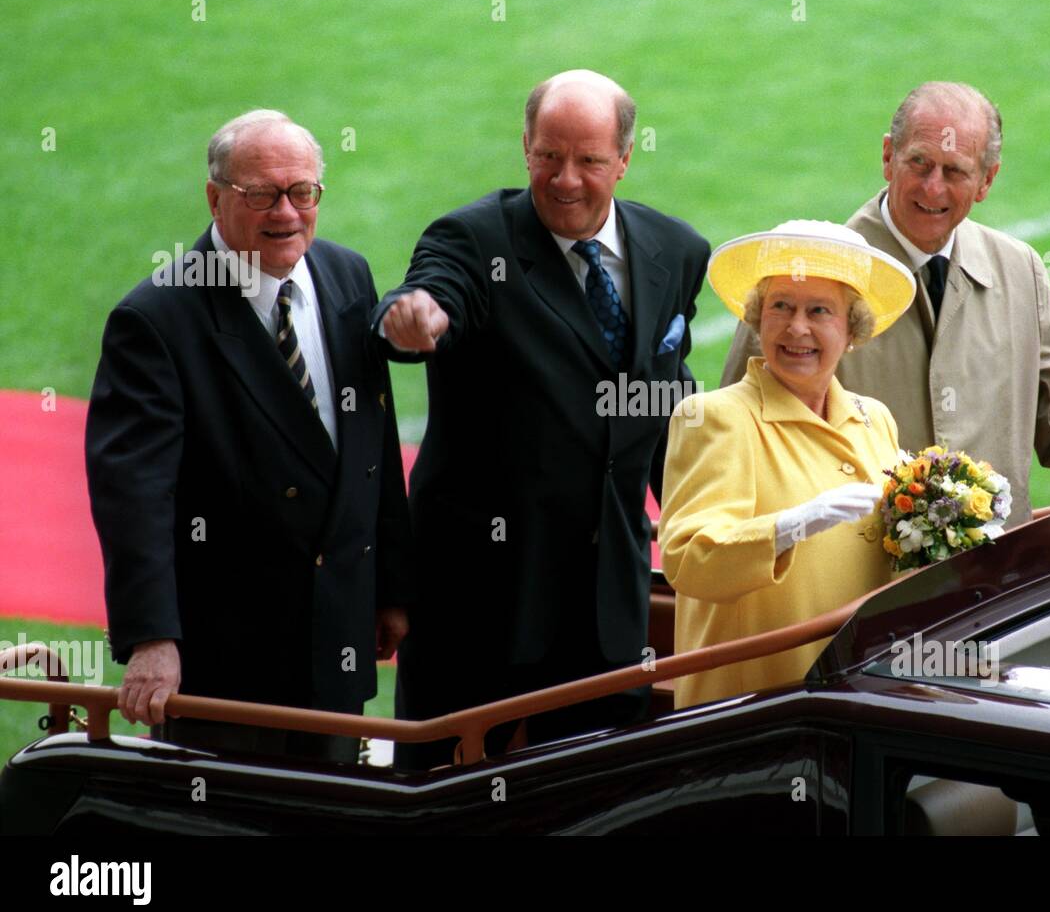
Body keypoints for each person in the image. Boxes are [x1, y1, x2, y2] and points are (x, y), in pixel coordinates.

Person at [373, 70, 710, 767]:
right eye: (547, 156)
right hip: (480, 604)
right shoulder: (472, 241)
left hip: (606, 606)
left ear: (624, 157)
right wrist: (413, 318)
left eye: (588, 161)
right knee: (443, 799)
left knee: (593, 796)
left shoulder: (676, 251)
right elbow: (431, 295)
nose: (565, 180)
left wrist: (710, 515)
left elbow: (664, 408)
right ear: (525, 146)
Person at [85, 110, 414, 763]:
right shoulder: (157, 319)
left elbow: (371, 446)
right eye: (260, 194)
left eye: (303, 192)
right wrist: (152, 639)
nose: (286, 213)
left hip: (334, 641)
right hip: (228, 666)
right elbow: (135, 495)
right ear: (215, 197)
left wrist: (391, 589)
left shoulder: (347, 276)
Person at [720, 82, 1050, 525]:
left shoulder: (1018, 270)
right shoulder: (806, 271)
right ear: (888, 157)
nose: (932, 189)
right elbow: (743, 433)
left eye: (955, 172)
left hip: (995, 590)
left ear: (986, 181)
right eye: (919, 164)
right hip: (855, 597)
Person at [659, 220, 915, 709]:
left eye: (819, 311)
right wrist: (790, 527)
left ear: (852, 330)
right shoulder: (714, 417)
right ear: (758, 319)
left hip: (860, 698)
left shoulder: (874, 418)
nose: (797, 328)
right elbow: (689, 561)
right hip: (755, 708)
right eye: (780, 307)